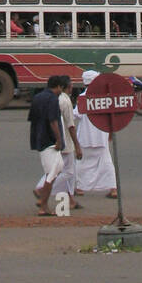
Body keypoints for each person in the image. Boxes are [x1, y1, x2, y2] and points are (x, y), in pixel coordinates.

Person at [34, 74, 83, 213]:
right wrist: (77, 146)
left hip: (51, 140)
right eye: (71, 85)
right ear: (64, 87)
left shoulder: (50, 99)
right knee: (67, 172)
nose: (72, 87)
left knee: (57, 169)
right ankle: (41, 190)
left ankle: (70, 200)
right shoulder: (65, 101)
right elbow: (70, 125)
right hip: (63, 141)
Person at [74, 70, 118, 199]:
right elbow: (111, 116)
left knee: (81, 163)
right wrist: (110, 132)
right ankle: (113, 189)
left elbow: (75, 115)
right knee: (106, 161)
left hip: (85, 137)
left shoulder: (83, 98)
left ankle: (79, 188)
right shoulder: (105, 97)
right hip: (101, 136)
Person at [29, 77, 65, 216]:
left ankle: (43, 203)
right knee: (52, 173)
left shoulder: (37, 97)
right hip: (49, 141)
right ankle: (43, 206)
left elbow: (32, 119)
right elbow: (53, 121)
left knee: (58, 167)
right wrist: (58, 139)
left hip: (39, 138)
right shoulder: (53, 99)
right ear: (59, 87)